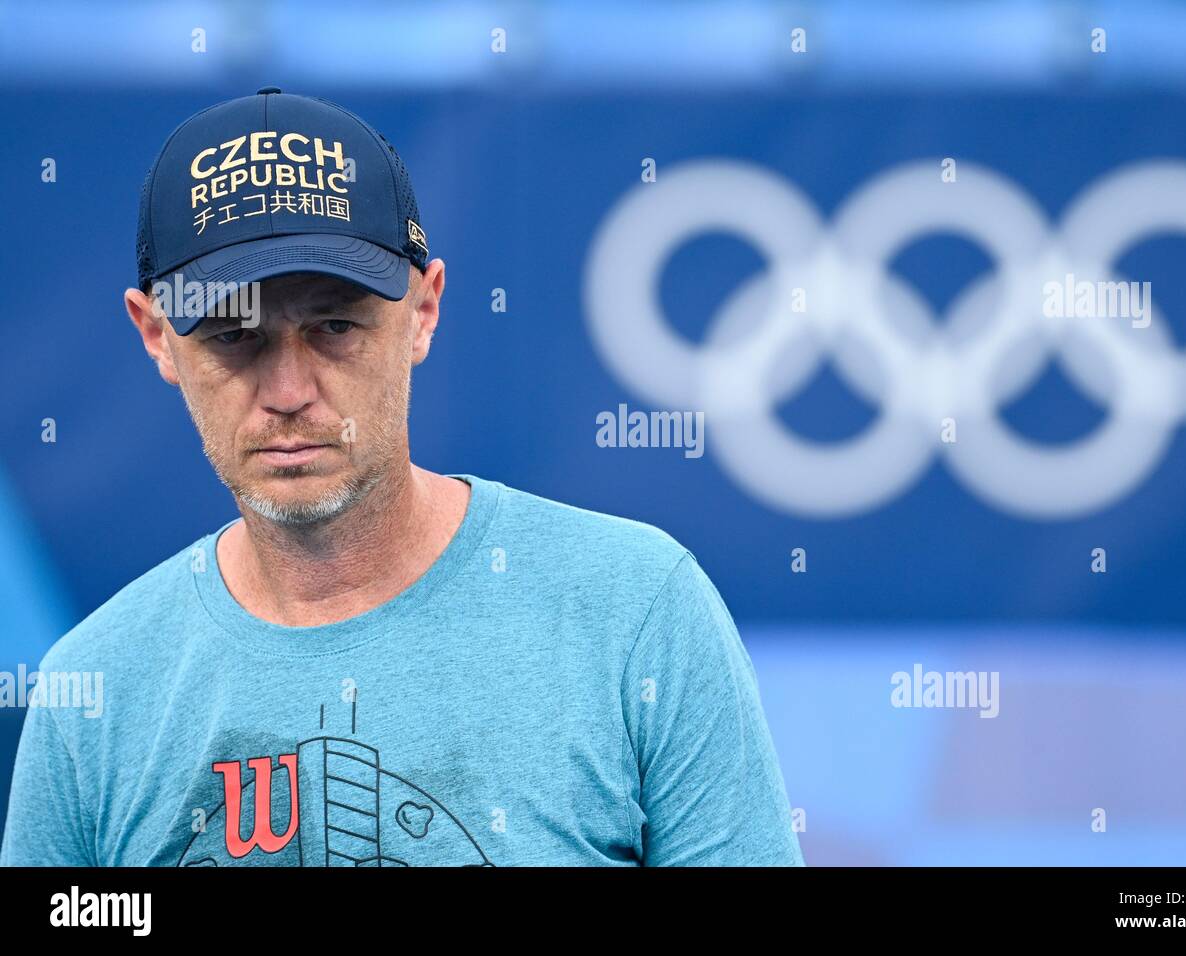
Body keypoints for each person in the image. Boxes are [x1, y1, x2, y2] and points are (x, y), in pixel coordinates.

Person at [0, 89, 803, 867]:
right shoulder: (94, 692)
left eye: (335, 325)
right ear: (155, 337)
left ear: (424, 309)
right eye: (232, 335)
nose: (288, 393)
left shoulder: (636, 610)